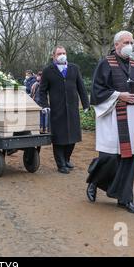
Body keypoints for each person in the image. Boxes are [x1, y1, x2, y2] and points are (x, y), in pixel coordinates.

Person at [86, 31, 134, 215]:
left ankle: (125, 198)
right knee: (108, 157)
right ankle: (94, 181)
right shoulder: (106, 63)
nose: (129, 45)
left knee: (129, 159)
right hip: (112, 117)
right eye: (126, 42)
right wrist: (118, 95)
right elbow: (97, 91)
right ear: (116, 45)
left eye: (131, 42)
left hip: (132, 118)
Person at [39, 46, 90, 174]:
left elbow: (81, 87)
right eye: (59, 53)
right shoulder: (48, 71)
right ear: (54, 56)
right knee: (59, 138)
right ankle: (60, 164)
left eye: (64, 53)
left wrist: (86, 105)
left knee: (73, 136)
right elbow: (42, 91)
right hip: (57, 109)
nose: (62, 55)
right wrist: (45, 105)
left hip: (72, 108)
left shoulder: (74, 68)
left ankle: (67, 159)